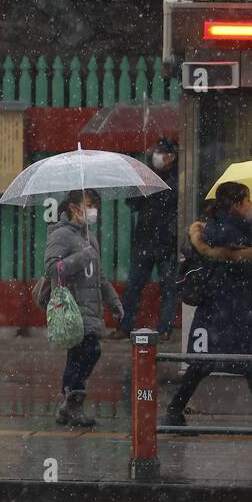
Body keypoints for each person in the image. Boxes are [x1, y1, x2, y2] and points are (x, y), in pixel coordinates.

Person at [164, 182, 252, 427]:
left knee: (204, 364)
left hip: (218, 310)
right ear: (236, 205)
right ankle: (173, 411)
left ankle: (174, 411)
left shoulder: (211, 229)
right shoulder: (233, 233)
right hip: (231, 310)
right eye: (247, 201)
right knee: (243, 361)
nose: (250, 206)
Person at [42, 188, 125, 427]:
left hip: (90, 308)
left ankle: (69, 404)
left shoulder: (91, 238)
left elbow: (100, 278)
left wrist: (114, 302)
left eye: (95, 205)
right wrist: (81, 258)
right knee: (86, 352)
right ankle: (71, 403)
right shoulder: (60, 235)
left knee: (85, 354)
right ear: (73, 207)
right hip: (71, 308)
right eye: (88, 204)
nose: (93, 210)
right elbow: (52, 269)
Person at [114, 139, 180, 340]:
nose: (157, 157)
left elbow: (173, 200)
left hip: (167, 241)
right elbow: (131, 202)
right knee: (134, 285)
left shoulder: (177, 177)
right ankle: (124, 327)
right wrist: (142, 184)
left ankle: (165, 328)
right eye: (156, 152)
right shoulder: (147, 175)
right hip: (144, 240)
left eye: (162, 153)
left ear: (172, 156)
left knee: (169, 287)